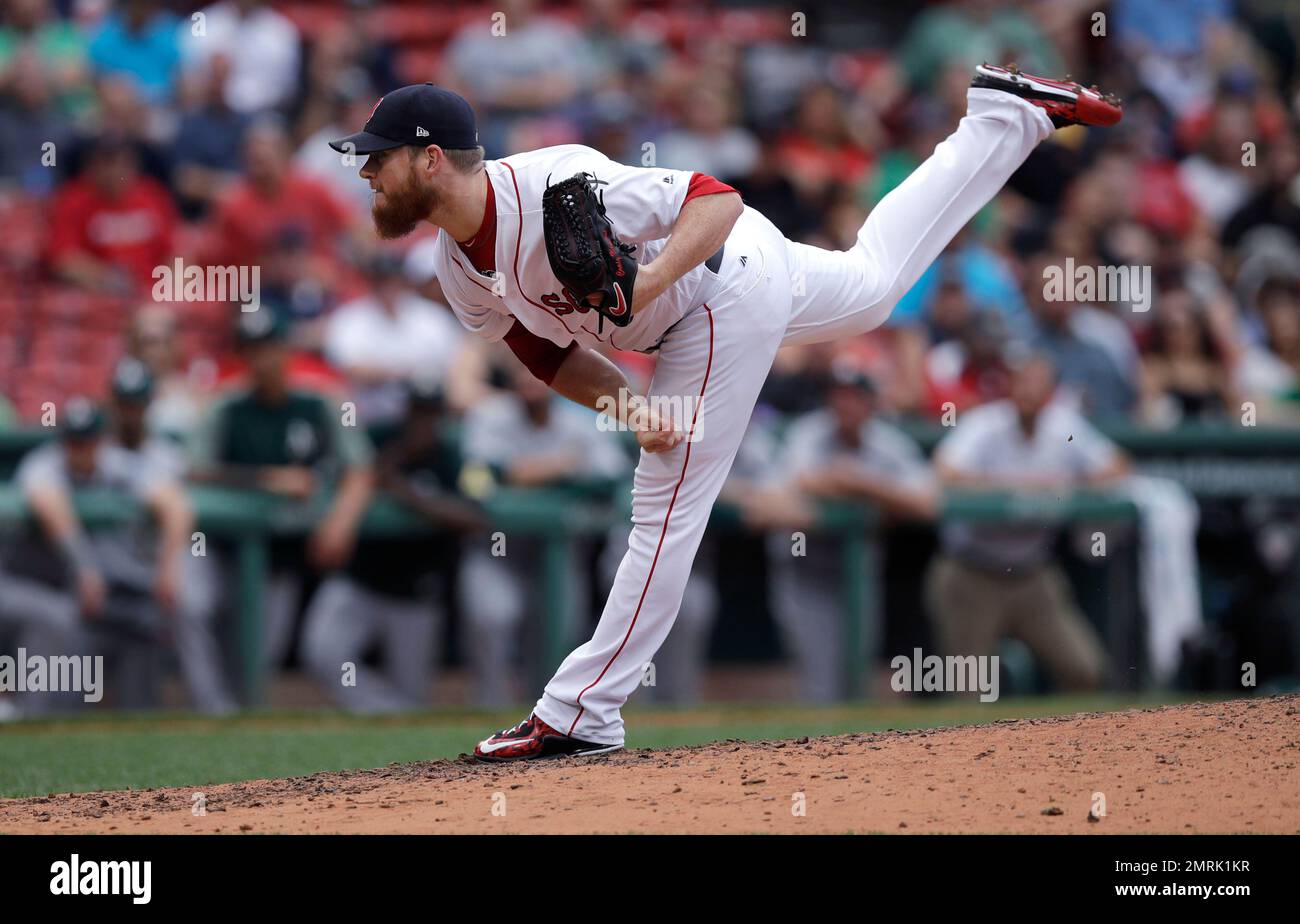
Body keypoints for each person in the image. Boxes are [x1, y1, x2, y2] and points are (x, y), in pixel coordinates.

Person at [327, 65, 1123, 760]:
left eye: (378, 158)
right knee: (875, 285)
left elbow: (716, 198)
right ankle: (1005, 116)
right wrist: (632, 406)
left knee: (664, 505)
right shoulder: (453, 264)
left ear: (432, 159)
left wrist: (644, 282)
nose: (366, 174)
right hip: (723, 291)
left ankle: (580, 711)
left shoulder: (551, 184)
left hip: (717, 289)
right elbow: (545, 354)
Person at [925, 353, 1128, 692]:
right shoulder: (985, 424)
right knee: (968, 691)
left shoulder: (1065, 427)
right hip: (972, 573)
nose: (1028, 392)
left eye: (1037, 383)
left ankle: (1063, 747)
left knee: (1085, 671)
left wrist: (1068, 486)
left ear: (1051, 390)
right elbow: (944, 473)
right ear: (1009, 386)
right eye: (1021, 382)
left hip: (1033, 575)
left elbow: (1118, 467)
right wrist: (1020, 486)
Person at [188, 309, 375, 672]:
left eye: (269, 348)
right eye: (252, 349)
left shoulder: (318, 401)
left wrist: (340, 521)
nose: (262, 359)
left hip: (286, 551)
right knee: (200, 616)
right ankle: (213, 714)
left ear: (285, 349)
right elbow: (195, 471)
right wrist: (264, 477)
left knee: (262, 656)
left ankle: (238, 718)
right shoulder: (225, 405)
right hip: (223, 547)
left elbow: (360, 470)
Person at [301, 379, 484, 713]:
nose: (422, 422)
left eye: (430, 414)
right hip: (360, 579)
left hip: (416, 592)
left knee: (414, 695)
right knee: (322, 653)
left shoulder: (454, 453)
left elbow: (475, 517)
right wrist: (397, 457)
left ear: (442, 416)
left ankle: (398, 732)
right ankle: (384, 713)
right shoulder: (382, 438)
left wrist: (408, 495)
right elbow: (345, 476)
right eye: (416, 413)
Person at [458, 359, 627, 705]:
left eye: (539, 375)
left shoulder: (580, 420)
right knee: (490, 621)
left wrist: (525, 476)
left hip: (562, 552)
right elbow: (481, 478)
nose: (532, 382)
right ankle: (489, 713)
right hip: (500, 550)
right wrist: (564, 465)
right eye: (524, 374)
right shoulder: (489, 415)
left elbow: (609, 480)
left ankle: (549, 718)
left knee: (561, 637)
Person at [764, 371, 938, 701]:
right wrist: (865, 491)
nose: (845, 404)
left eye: (854, 396)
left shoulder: (886, 441)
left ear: (870, 403)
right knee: (820, 684)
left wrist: (860, 482)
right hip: (806, 569)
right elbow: (794, 488)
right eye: (838, 396)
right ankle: (814, 751)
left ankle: (852, 754)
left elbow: (927, 503)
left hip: (858, 572)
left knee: (856, 673)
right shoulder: (809, 432)